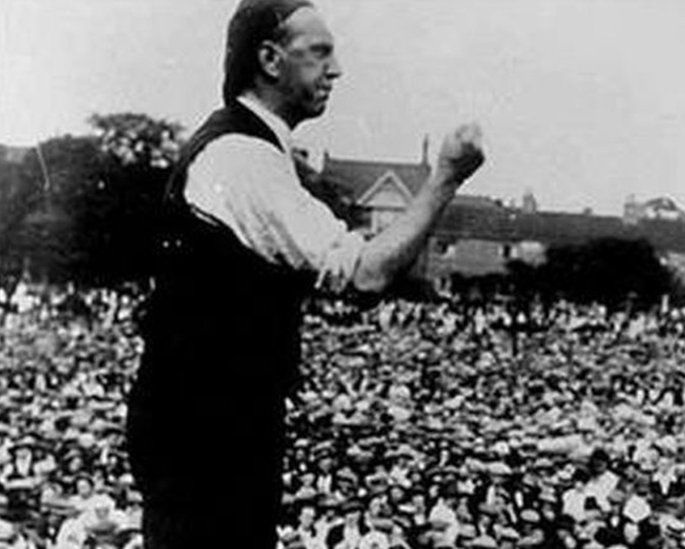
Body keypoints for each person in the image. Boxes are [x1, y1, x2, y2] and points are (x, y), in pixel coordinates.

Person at [123, 0, 485, 547]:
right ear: (269, 59)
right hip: (207, 430)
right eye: (319, 52)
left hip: (205, 422)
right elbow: (364, 275)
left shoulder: (254, 151)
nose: (336, 69)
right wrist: (444, 181)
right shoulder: (242, 158)